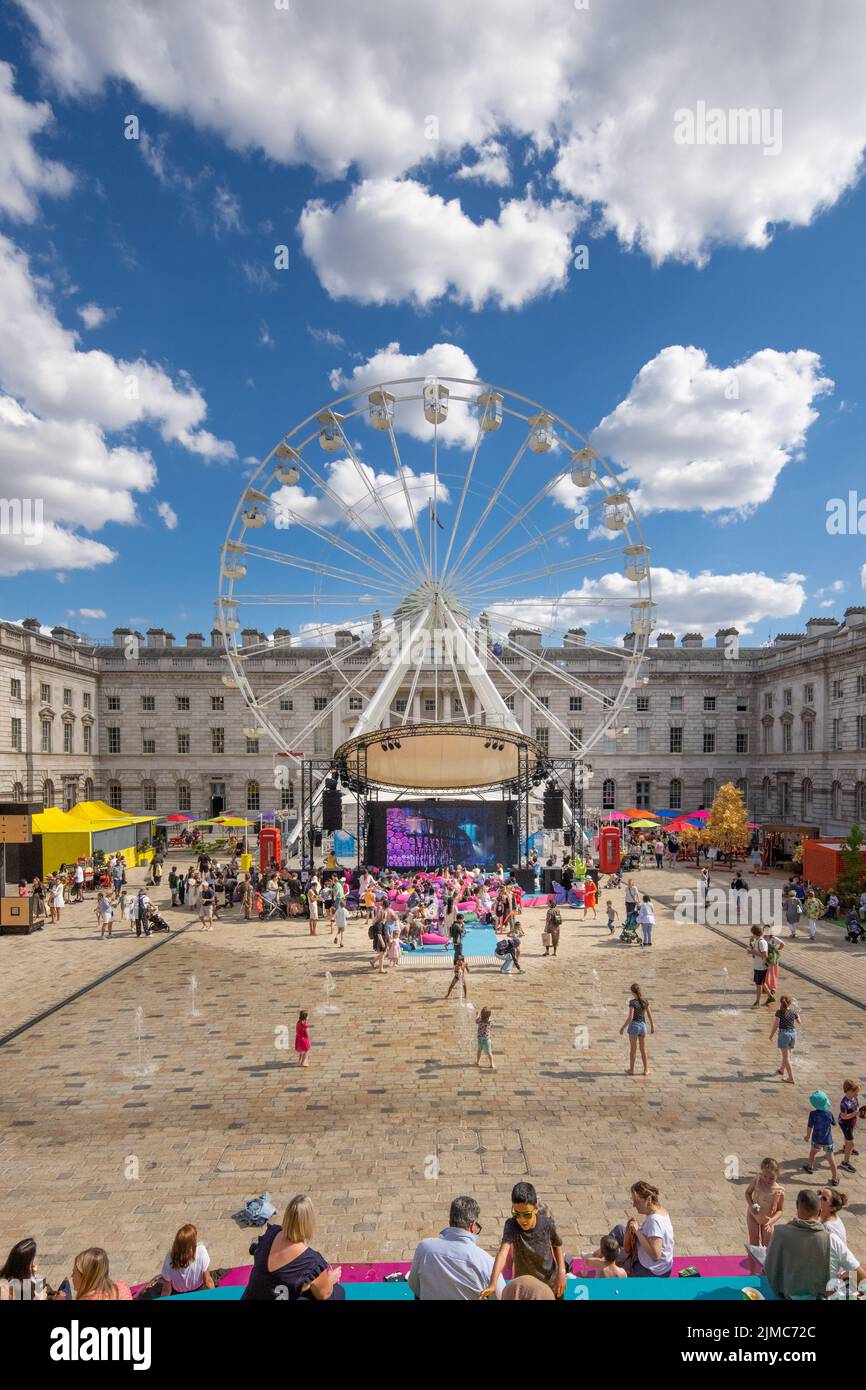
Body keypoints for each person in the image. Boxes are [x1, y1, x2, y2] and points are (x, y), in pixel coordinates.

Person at [761, 1189, 866, 1298]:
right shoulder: (832, 1240)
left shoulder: (779, 1233)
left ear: (797, 1205)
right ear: (820, 1212)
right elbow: (862, 1277)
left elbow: (768, 1269)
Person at [242, 1194, 344, 1300]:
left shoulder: (271, 1233)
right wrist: (330, 1280)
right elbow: (324, 1295)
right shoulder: (311, 1261)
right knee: (338, 1292)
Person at [408, 1196, 504, 1301]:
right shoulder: (487, 1262)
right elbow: (502, 1296)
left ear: (451, 1220)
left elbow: (414, 1287)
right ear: (472, 1226)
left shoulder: (424, 1248)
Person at [484, 1182, 566, 1299]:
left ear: (536, 1208)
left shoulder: (547, 1224)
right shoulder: (511, 1225)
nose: (522, 1220)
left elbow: (557, 1246)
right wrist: (493, 1283)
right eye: (517, 1214)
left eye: (527, 1214)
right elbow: (502, 1253)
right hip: (525, 1289)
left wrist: (561, 1273)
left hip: (549, 1286)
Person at [605, 1180, 674, 1278]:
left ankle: (603, 1260)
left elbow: (655, 1255)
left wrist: (637, 1231)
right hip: (657, 1263)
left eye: (636, 1201)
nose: (634, 1205)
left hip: (651, 1272)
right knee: (619, 1230)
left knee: (616, 1272)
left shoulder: (655, 1220)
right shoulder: (661, 1211)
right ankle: (600, 1253)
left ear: (648, 1200)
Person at [56, 1248, 132, 1301]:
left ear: (85, 1277)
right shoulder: (121, 1288)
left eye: (74, 1273)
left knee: (64, 1286)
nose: (72, 1276)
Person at [744, 1158, 785, 1256]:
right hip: (753, 1215)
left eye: (771, 1178)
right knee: (753, 1241)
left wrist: (771, 1222)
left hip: (767, 1220)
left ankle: (765, 1265)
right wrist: (751, 1205)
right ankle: (753, 1262)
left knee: (767, 1245)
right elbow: (748, 1193)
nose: (767, 1180)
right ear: (761, 1172)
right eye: (765, 1176)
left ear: (777, 1175)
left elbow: (780, 1210)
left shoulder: (779, 1191)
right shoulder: (757, 1181)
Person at [160, 1224, 213, 1295]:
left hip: (178, 1294)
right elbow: (207, 1281)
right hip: (199, 1290)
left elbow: (167, 1289)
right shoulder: (201, 1251)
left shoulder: (169, 1258)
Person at [804, 1090, 839, 1184]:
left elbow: (809, 1127)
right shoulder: (829, 1114)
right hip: (828, 1141)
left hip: (817, 1140)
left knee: (812, 1153)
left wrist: (807, 1136)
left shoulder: (813, 1114)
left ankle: (810, 1167)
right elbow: (834, 1124)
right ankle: (835, 1178)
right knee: (831, 1159)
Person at [620, 982, 655, 1076]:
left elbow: (630, 1017)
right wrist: (652, 1026)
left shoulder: (632, 1002)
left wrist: (622, 1028)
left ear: (632, 992)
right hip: (643, 1026)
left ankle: (631, 1070)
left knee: (633, 1050)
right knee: (643, 1049)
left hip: (634, 1026)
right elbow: (649, 1014)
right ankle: (646, 1070)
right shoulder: (645, 1001)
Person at [769, 994, 799, 1084]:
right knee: (787, 1054)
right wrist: (798, 1014)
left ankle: (791, 1078)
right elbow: (799, 1022)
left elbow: (776, 1025)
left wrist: (771, 1035)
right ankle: (782, 1069)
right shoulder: (793, 1011)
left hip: (784, 1034)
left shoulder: (779, 1012)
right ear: (790, 1003)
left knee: (786, 1058)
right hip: (793, 1034)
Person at [838, 1079, 860, 1173]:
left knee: (848, 1139)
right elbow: (844, 1117)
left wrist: (859, 1113)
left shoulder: (854, 1098)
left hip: (852, 1122)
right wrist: (855, 1114)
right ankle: (845, 1163)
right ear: (849, 1091)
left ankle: (846, 1147)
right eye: (856, 1092)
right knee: (851, 1143)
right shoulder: (844, 1103)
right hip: (845, 1124)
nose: (857, 1095)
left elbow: (857, 1107)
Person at [748, 925, 771, 1007]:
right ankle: (770, 997)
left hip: (761, 967)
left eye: (752, 933)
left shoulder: (762, 942)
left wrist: (752, 952)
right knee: (762, 983)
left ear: (755, 933)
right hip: (757, 966)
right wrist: (750, 944)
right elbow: (754, 951)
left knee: (758, 985)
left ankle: (757, 1002)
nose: (752, 935)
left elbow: (765, 955)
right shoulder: (757, 941)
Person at [764, 925, 784, 1001]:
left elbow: (782, 944)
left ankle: (773, 988)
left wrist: (778, 949)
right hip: (766, 958)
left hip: (773, 959)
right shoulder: (763, 938)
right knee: (766, 973)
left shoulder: (773, 938)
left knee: (773, 973)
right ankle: (767, 986)